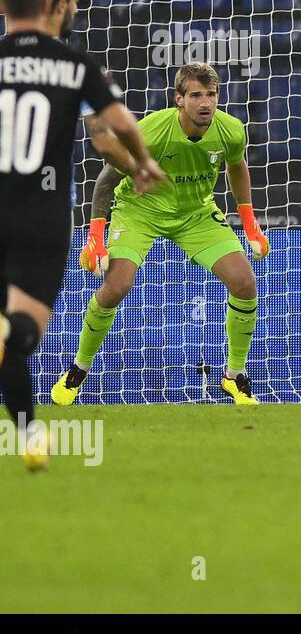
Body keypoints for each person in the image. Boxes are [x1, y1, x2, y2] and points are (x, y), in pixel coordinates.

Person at [0, 0, 163, 469]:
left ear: (3, 6)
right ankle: (29, 438)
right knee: (21, 331)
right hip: (43, 216)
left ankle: (28, 433)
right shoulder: (74, 64)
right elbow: (117, 123)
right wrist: (142, 162)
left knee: (6, 332)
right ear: (52, 4)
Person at [51, 62, 270, 407]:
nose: (205, 103)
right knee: (116, 286)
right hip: (141, 210)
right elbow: (106, 179)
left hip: (195, 213)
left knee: (245, 283)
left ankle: (234, 376)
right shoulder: (151, 131)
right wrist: (95, 236)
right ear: (178, 99)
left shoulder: (231, 130)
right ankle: (78, 368)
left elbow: (236, 165)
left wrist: (249, 221)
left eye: (211, 95)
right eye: (196, 95)